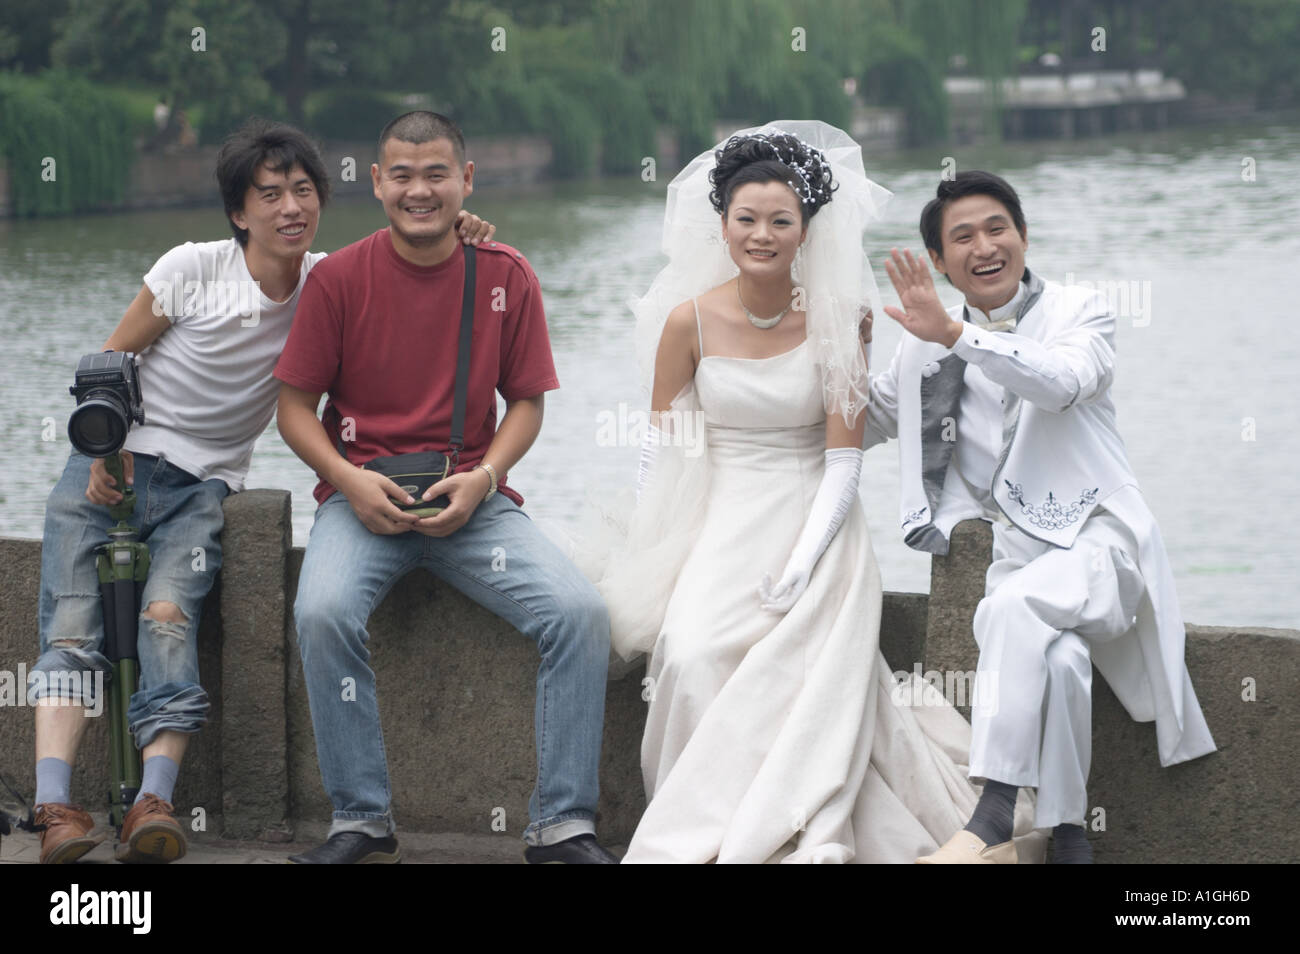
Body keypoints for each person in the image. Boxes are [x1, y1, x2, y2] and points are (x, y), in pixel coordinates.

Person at [29, 118, 493, 865]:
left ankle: (156, 803)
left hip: (204, 490)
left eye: (303, 191)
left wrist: (463, 228)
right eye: (268, 194)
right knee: (71, 630)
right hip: (113, 467)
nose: (289, 208)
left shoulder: (330, 283)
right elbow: (109, 359)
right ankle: (55, 808)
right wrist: (105, 451)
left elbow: (416, 255)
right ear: (239, 212)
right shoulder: (191, 267)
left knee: (168, 621)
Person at [599, 121, 1040, 863]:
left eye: (781, 220)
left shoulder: (842, 321)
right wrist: (653, 539)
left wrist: (806, 559)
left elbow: (844, 461)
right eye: (748, 220)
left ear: (805, 229)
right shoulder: (688, 321)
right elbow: (661, 441)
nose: (763, 235)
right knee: (689, 651)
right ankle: (701, 827)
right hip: (719, 513)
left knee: (789, 658)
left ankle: (782, 824)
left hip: (815, 516)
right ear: (723, 225)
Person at [275, 111, 617, 865]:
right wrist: (350, 483)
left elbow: (527, 401)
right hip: (361, 498)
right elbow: (293, 410)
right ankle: (360, 819)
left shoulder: (504, 273)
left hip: (474, 502)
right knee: (323, 610)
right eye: (401, 174)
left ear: (467, 179)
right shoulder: (336, 280)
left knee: (582, 613)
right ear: (376, 182)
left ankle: (562, 824)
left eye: (437, 174)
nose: (418, 190)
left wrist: (485, 477)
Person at [869, 170, 1216, 863]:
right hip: (1025, 563)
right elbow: (857, 418)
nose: (985, 245)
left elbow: (1061, 385)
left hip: (1103, 549)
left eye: (998, 228)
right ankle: (1068, 835)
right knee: (1056, 660)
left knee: (1006, 613)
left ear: (1024, 237)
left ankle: (993, 810)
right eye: (961, 237)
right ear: (939, 262)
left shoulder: (1081, 312)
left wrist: (960, 334)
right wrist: (819, 336)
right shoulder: (923, 349)